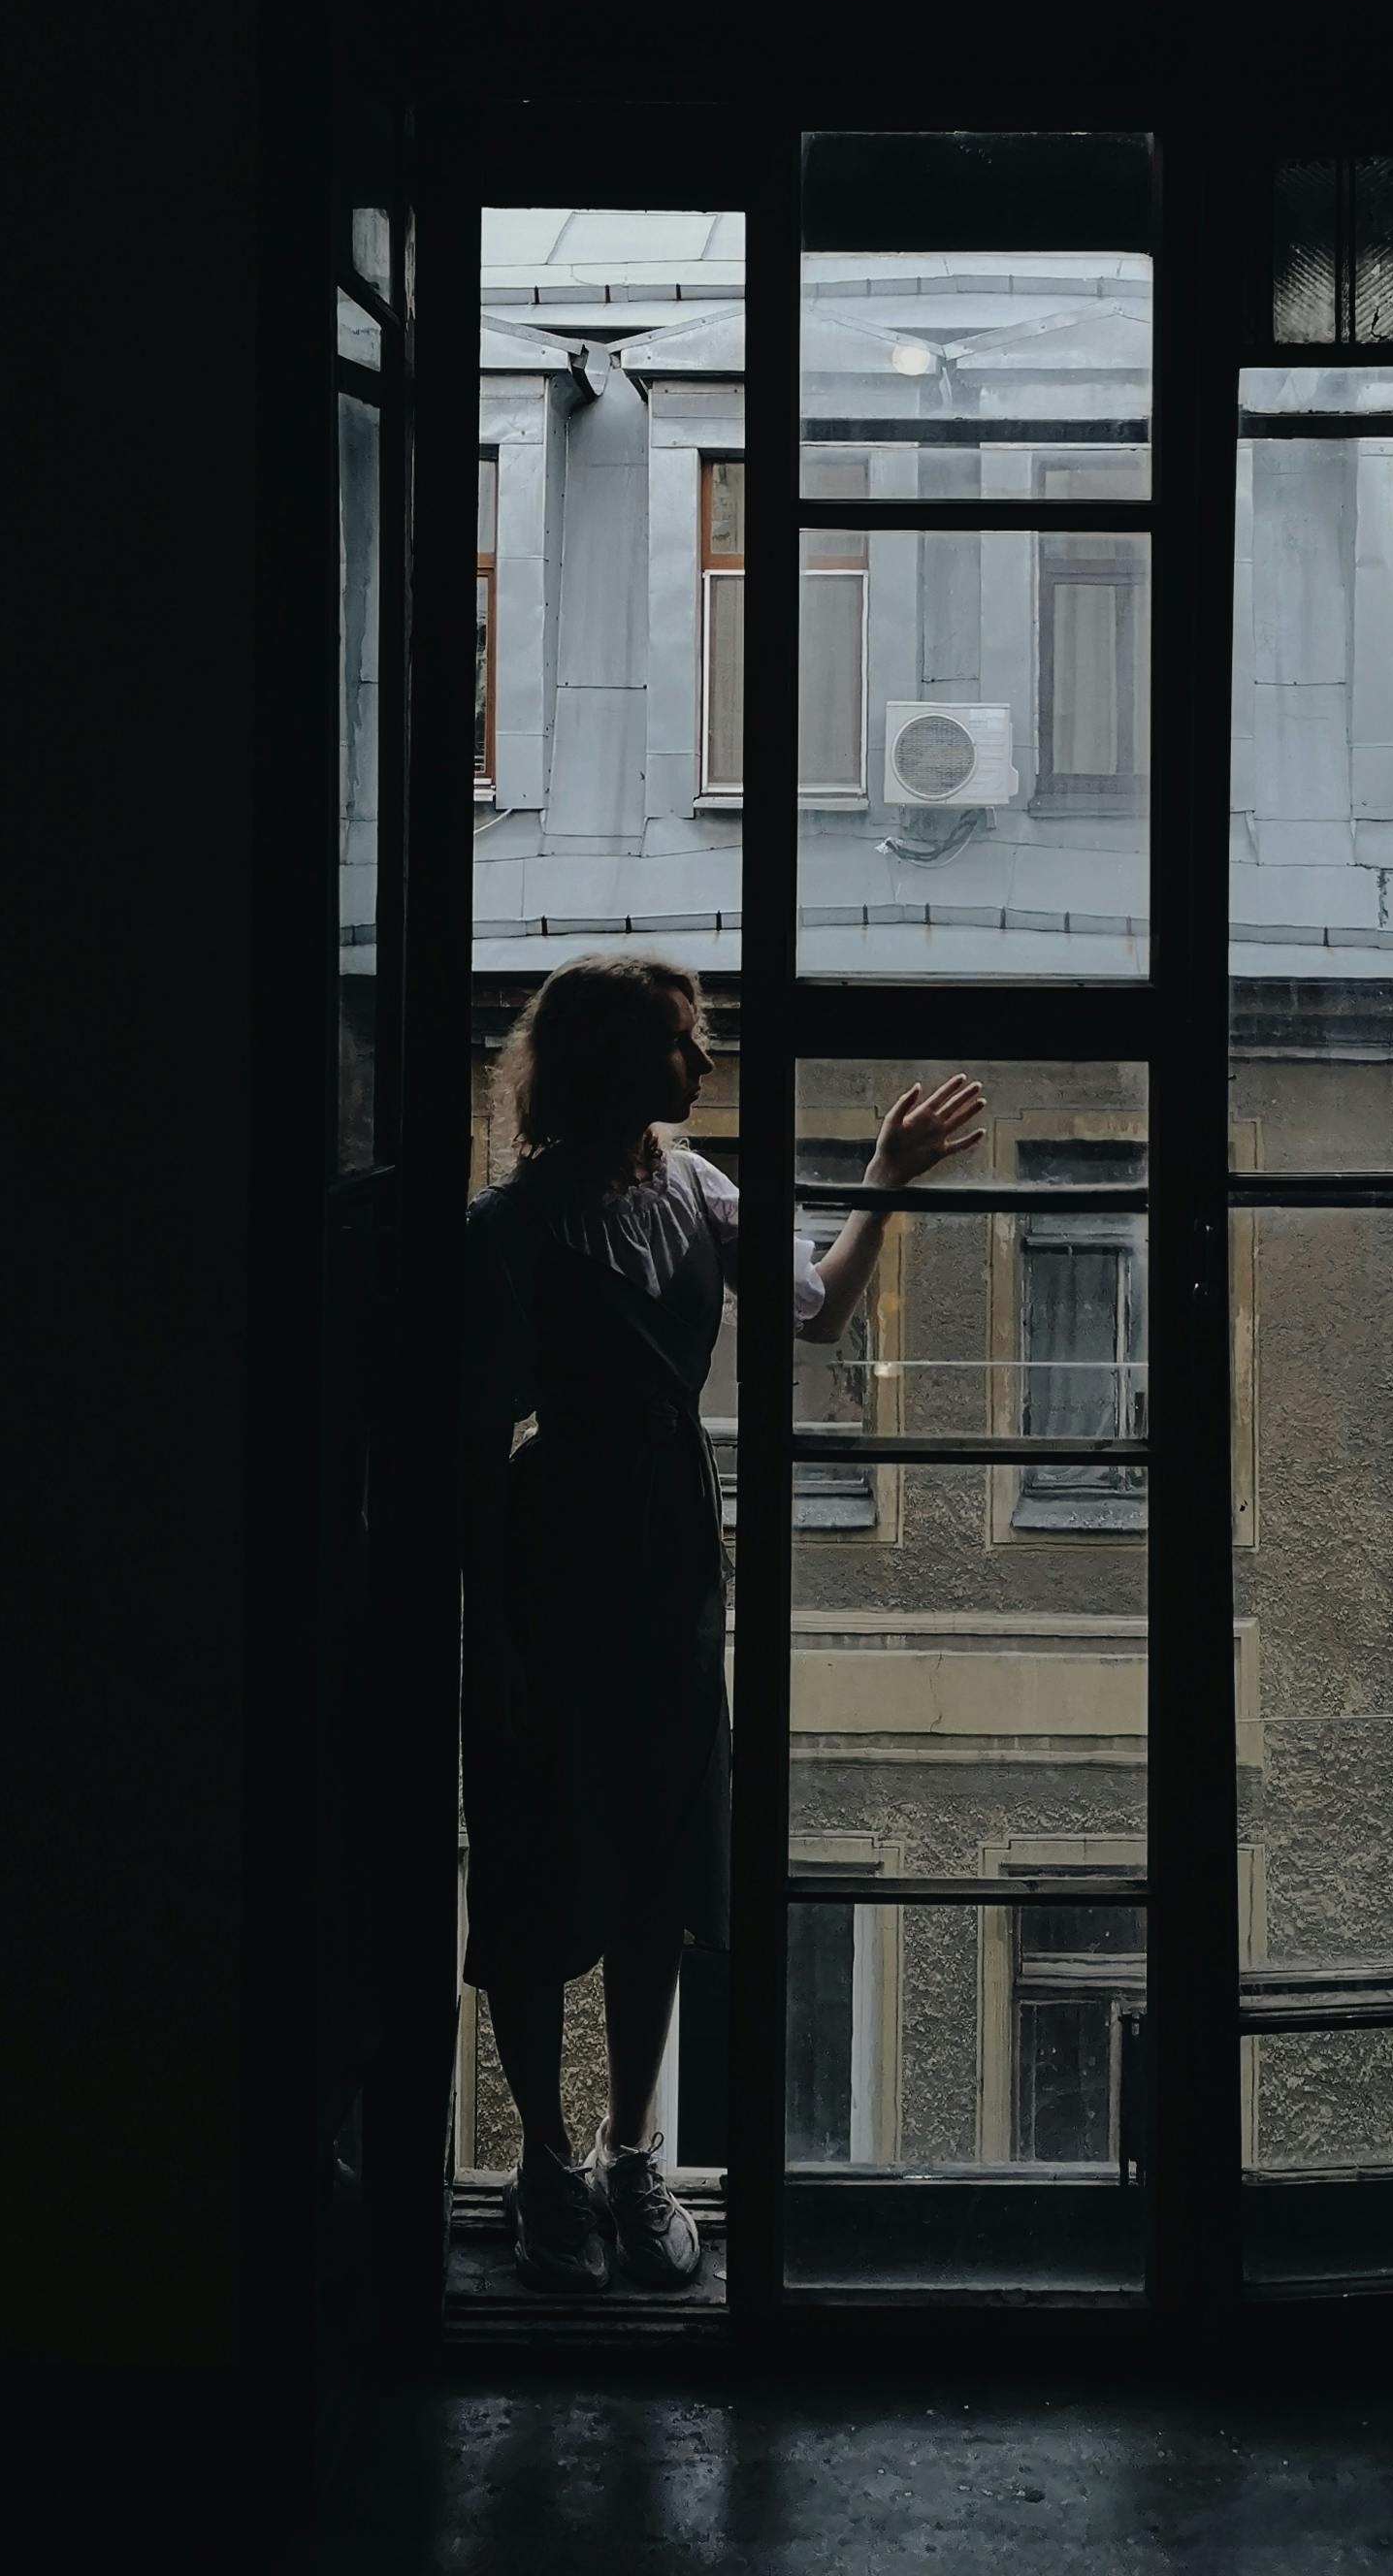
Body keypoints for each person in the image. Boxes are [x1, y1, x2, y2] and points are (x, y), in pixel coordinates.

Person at [461, 954, 982, 2291]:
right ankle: (542, 2161)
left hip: (673, 1567)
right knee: (536, 1871)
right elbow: (465, 1442)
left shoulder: (690, 1190)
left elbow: (812, 1309)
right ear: (616, 1064)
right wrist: (496, 1644)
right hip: (550, 1563)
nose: (706, 1065)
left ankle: (630, 2158)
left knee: (655, 1874)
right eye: (687, 1043)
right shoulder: (509, 1228)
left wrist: (884, 1175)